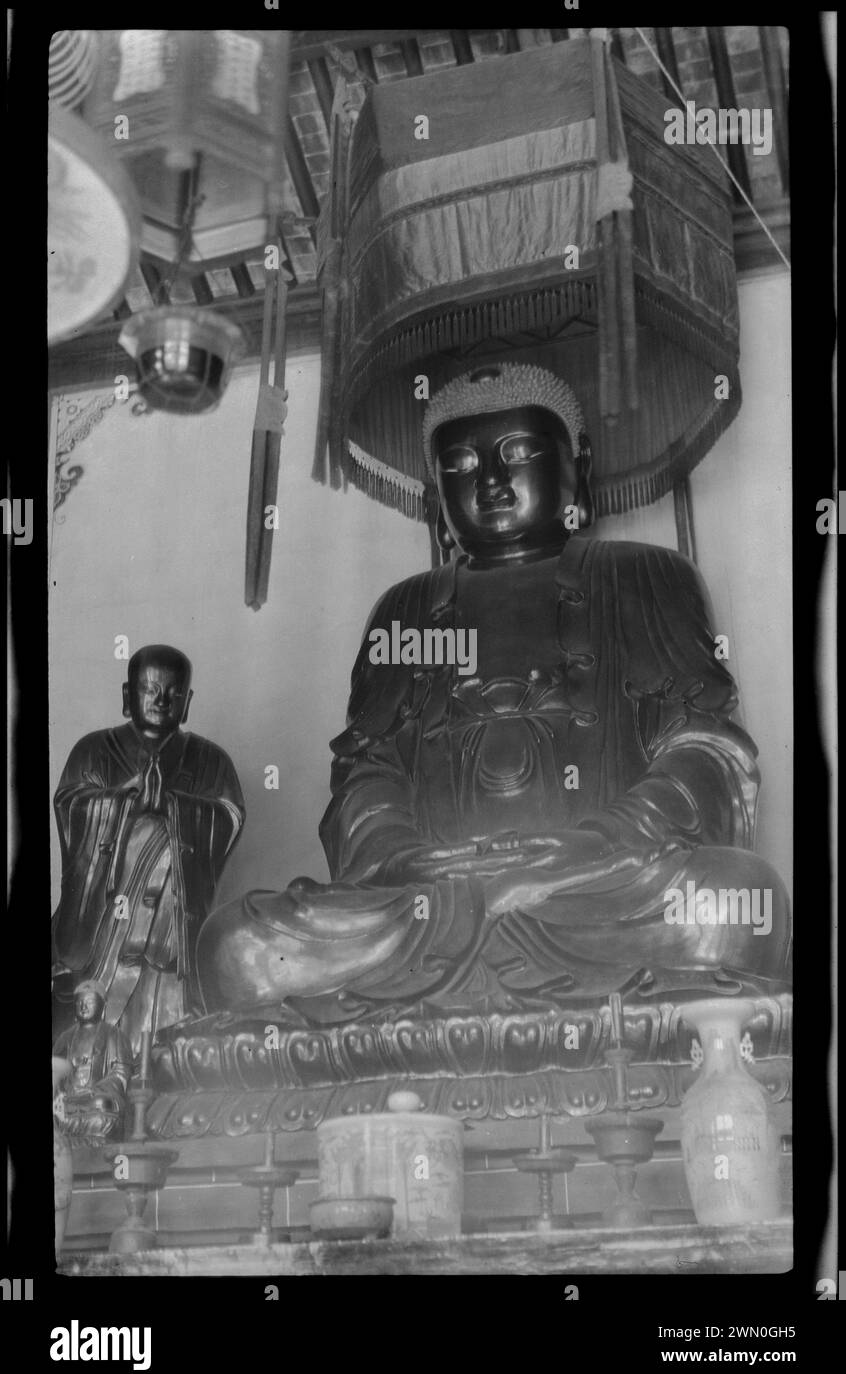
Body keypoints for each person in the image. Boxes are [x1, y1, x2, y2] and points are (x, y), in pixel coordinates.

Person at [197, 364, 791, 1023]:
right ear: (436, 494)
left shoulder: (643, 576)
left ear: (577, 466)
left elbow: (702, 745)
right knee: (236, 944)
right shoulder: (412, 610)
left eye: (518, 453)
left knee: (738, 903)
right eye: (459, 463)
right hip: (429, 905)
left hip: (591, 887)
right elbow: (371, 770)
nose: (489, 480)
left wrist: (599, 842)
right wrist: (401, 856)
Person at [52, 644, 245, 1054]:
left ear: (187, 702)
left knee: (166, 1028)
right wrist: (125, 803)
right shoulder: (94, 751)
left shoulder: (211, 761)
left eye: (174, 693)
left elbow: (229, 815)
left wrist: (174, 807)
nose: (161, 699)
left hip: (169, 935)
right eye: (150, 688)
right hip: (106, 929)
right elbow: (71, 803)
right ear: (127, 696)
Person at [52, 980, 132, 1142]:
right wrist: (60, 1093)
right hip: (68, 1102)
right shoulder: (64, 1038)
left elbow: (121, 1073)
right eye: (79, 1003)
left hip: (94, 1100)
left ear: (102, 1006)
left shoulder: (114, 1034)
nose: (83, 1006)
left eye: (89, 1002)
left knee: (103, 1104)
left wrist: (95, 1090)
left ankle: (74, 1132)